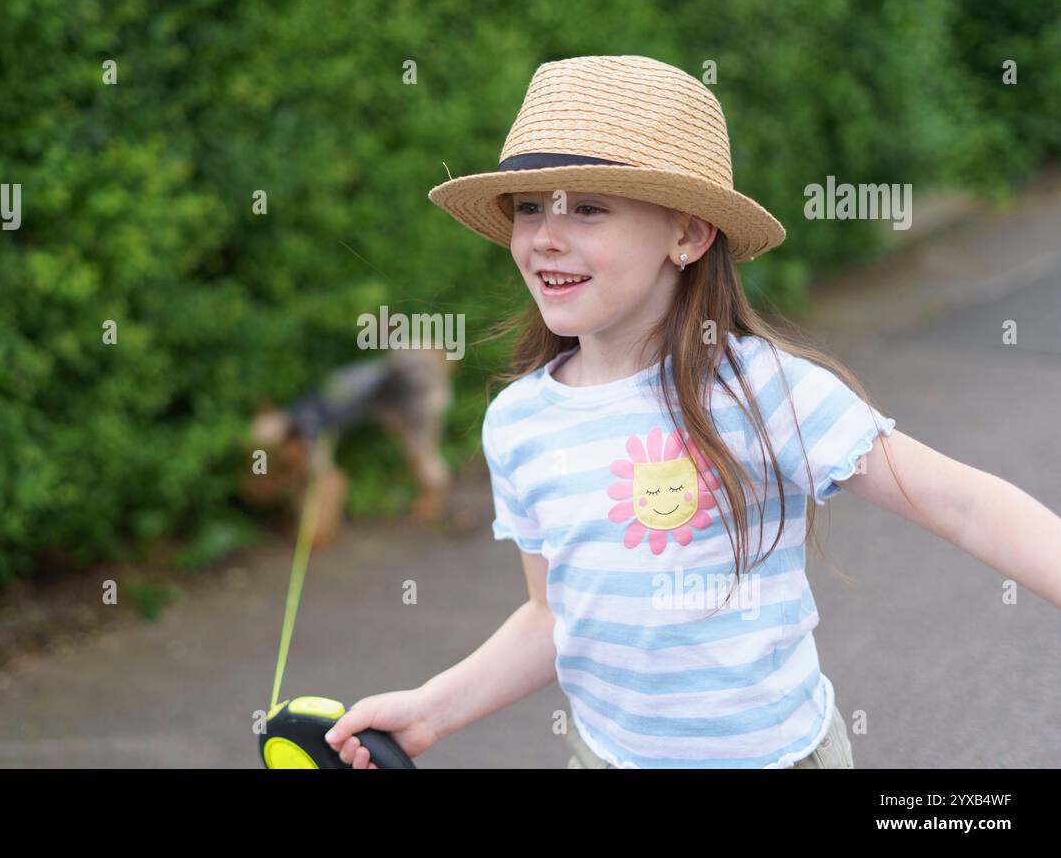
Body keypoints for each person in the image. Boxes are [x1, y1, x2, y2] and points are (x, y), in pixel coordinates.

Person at [322, 55, 1061, 768]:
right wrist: (431, 709)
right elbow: (554, 617)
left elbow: (961, 504)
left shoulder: (762, 391)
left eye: (588, 207)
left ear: (687, 233)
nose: (545, 234)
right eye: (528, 208)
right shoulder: (519, 423)